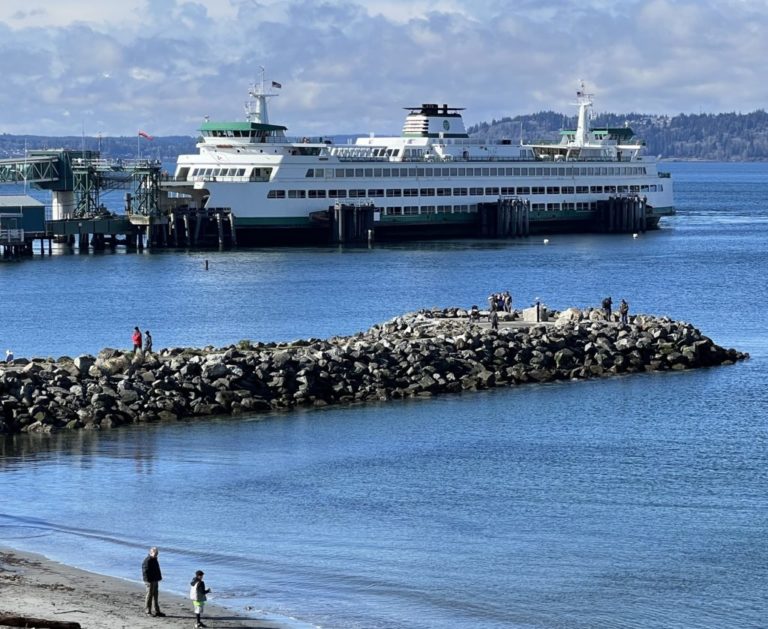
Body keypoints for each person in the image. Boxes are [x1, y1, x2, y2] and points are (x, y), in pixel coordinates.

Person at [141, 546, 165, 617]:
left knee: (156, 595)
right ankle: (148, 611)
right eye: (155, 553)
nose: (156, 555)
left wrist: (159, 577)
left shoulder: (155, 559)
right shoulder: (147, 560)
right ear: (150, 553)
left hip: (155, 580)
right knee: (149, 595)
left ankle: (157, 611)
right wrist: (148, 581)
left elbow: (157, 569)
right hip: (149, 581)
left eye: (157, 553)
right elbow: (145, 571)